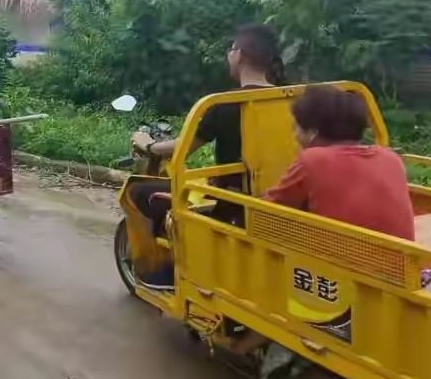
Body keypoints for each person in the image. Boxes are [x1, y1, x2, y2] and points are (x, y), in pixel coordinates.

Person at [128, 24, 283, 287]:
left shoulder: (223, 104)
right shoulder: (287, 98)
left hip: (235, 203)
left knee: (139, 191)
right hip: (275, 197)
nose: (228, 54)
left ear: (240, 55)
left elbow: (182, 148)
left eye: (231, 48)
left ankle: (161, 269)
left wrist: (149, 146)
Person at [264, 85, 414, 240]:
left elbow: (267, 210)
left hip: (343, 261)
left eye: (297, 128)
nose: (295, 135)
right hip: (399, 260)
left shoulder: (313, 160)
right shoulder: (391, 158)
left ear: (313, 132)